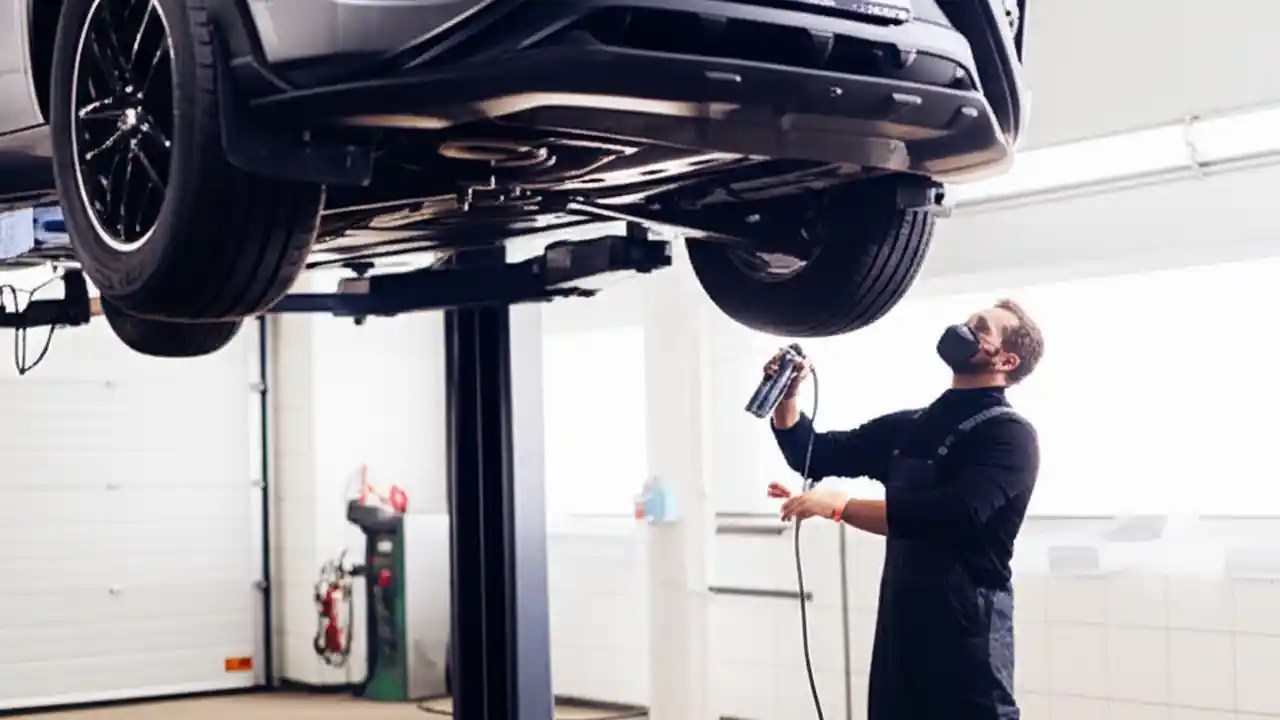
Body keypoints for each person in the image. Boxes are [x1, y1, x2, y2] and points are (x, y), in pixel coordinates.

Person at [766, 299, 1044, 720]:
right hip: (902, 625)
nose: (965, 329)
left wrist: (840, 507)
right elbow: (814, 454)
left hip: (968, 633)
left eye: (981, 328)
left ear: (1007, 360)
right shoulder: (910, 427)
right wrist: (788, 395)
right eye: (967, 321)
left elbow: (954, 514)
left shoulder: (1010, 436)